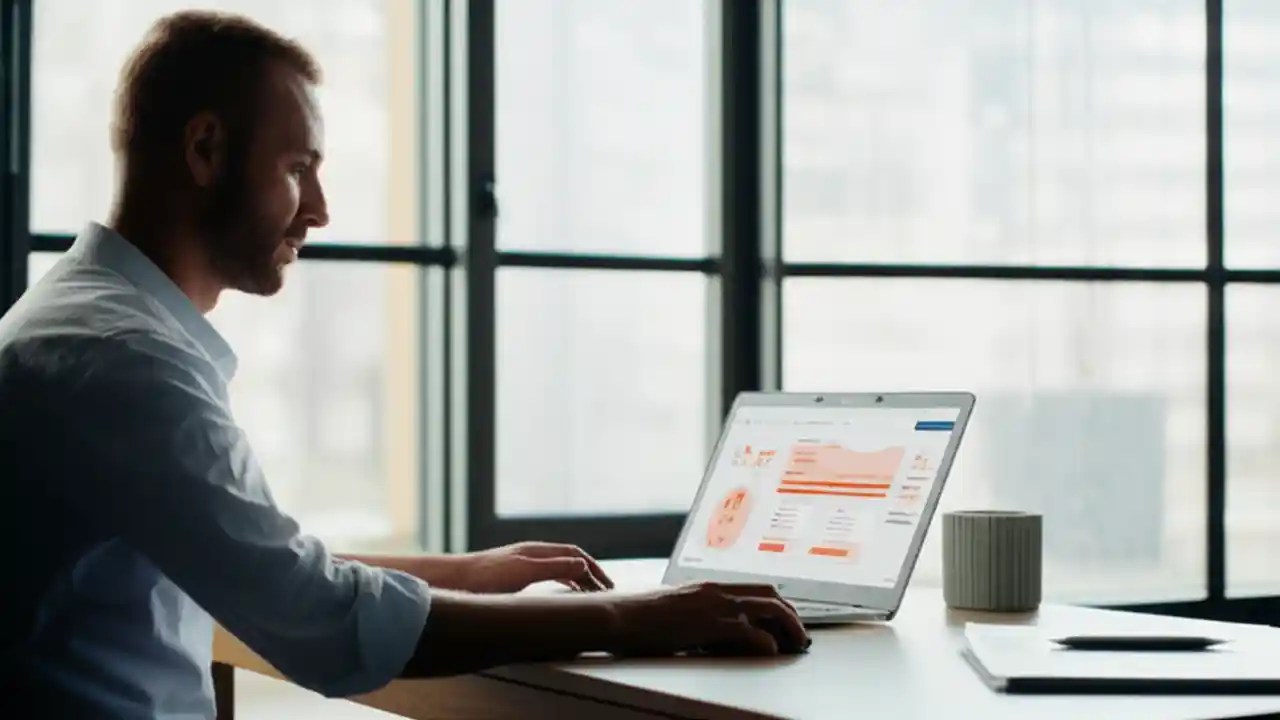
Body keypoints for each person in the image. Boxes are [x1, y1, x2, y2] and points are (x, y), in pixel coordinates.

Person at [0, 11, 807, 718]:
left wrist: (468, 572)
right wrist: (642, 617)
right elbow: (319, 617)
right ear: (206, 149)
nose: (318, 207)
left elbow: (251, 558)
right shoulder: (123, 363)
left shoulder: (87, 328)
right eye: (296, 168)